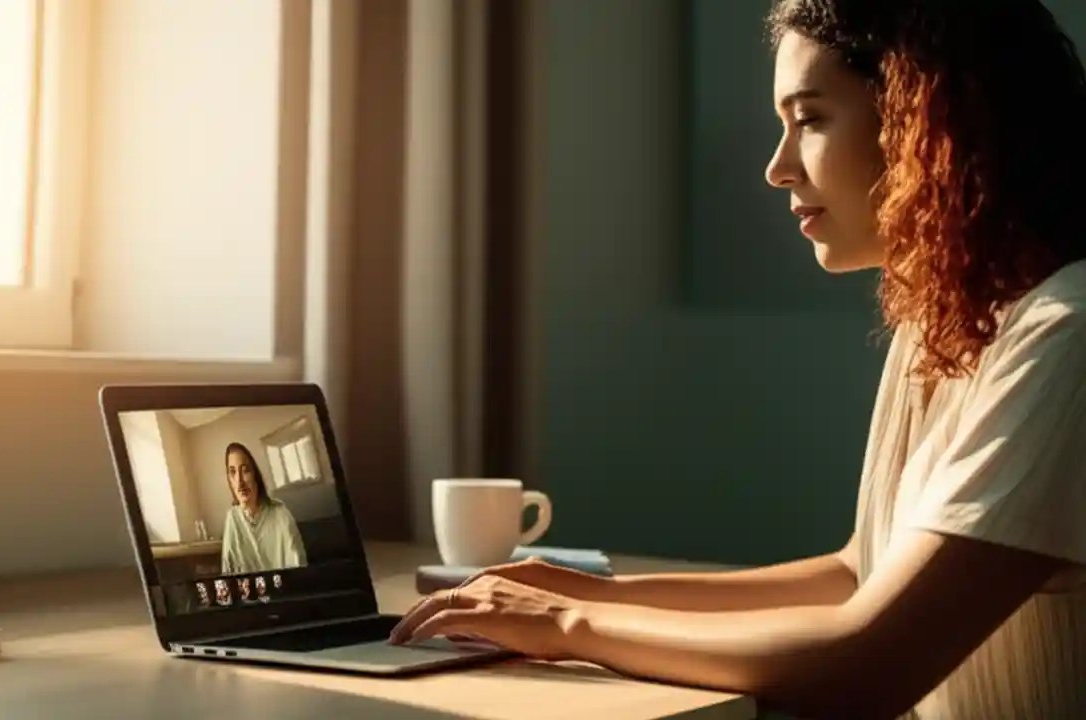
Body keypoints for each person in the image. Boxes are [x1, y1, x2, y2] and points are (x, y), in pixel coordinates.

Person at [390, 1, 1086, 717]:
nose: (777, 169)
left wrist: (569, 626)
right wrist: (592, 593)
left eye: (810, 118)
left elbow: (869, 662)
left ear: (927, 119)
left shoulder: (1066, 336)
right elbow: (859, 573)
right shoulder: (944, 318)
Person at [219, 442, 308, 575]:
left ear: (256, 475)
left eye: (245, 471)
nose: (239, 481)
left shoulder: (280, 512)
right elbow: (229, 573)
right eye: (232, 472)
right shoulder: (232, 517)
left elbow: (299, 565)